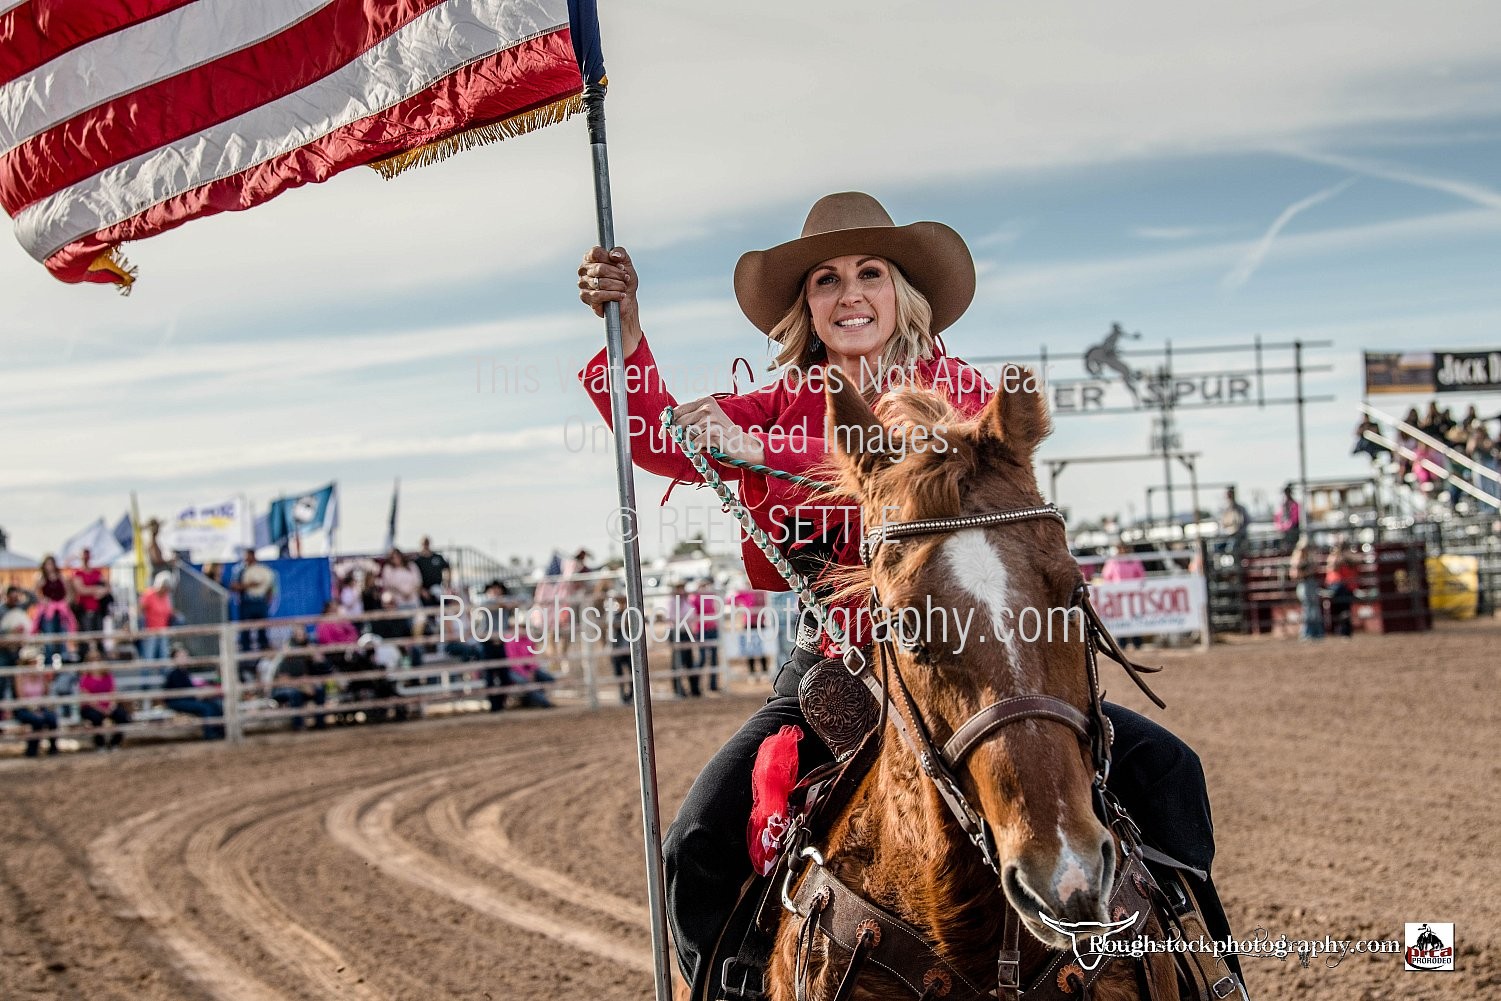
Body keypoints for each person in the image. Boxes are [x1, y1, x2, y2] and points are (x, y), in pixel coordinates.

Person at [574, 192, 1242, 992]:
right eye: (825, 280)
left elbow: (913, 460)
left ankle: (1207, 962)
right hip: (833, 660)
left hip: (971, 657)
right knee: (696, 839)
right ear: (806, 307)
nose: (849, 293)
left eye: (869, 274)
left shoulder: (955, 388)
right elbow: (653, 434)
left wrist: (758, 448)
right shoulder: (781, 395)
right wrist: (628, 326)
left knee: (1166, 768)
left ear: (903, 294)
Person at [163, 645, 225, 740]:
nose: (185, 658)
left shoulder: (183, 672)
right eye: (181, 656)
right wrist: (198, 695)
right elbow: (181, 692)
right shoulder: (174, 673)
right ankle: (209, 733)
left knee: (213, 705)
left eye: (185, 656)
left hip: (186, 699)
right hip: (177, 701)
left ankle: (219, 731)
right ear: (174, 659)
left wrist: (199, 694)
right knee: (206, 707)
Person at [78, 645, 130, 750]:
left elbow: (113, 692)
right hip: (93, 707)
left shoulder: (108, 676)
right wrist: (101, 709)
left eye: (97, 659)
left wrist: (111, 706)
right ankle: (100, 743)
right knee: (96, 717)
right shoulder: (85, 678)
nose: (95, 662)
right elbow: (87, 697)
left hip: (108, 705)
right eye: (92, 660)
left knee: (123, 716)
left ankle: (115, 742)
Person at [12, 645, 59, 757]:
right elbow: (20, 697)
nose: (35, 664)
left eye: (36, 661)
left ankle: (53, 748)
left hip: (40, 706)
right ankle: (31, 751)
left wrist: (45, 678)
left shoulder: (41, 674)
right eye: (32, 661)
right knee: (37, 720)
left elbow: (46, 693)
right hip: (25, 708)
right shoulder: (20, 676)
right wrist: (33, 709)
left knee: (51, 718)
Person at [1098, 543, 1146, 649]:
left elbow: (1141, 576)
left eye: (1125, 548)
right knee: (1119, 618)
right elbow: (1106, 577)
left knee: (1134, 618)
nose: (1123, 550)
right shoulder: (1113, 562)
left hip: (1132, 595)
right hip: (1117, 596)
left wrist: (1134, 586)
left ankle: (1137, 642)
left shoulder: (1133, 560)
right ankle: (1122, 643)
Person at [230, 548, 276, 653]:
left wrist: (268, 598)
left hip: (260, 602)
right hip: (247, 603)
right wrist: (249, 585)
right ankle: (246, 653)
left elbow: (269, 586)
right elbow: (233, 586)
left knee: (262, 629)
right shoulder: (240, 570)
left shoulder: (262, 570)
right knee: (245, 630)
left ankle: (263, 652)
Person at [34, 554, 77, 662]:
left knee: (63, 636)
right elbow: (37, 594)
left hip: (61, 611)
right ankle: (49, 662)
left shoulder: (61, 577)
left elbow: (70, 593)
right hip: (48, 612)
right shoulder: (41, 579)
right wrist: (45, 602)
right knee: (49, 638)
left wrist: (65, 603)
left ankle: (64, 659)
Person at [1289, 538, 1324, 641]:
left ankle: (1316, 633)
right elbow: (1294, 574)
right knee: (1308, 609)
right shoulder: (1297, 558)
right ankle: (1307, 632)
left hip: (1311, 583)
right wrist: (1308, 572)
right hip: (1304, 584)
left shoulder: (1308, 557)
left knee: (1314, 608)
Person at [71, 548, 109, 637]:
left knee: (99, 636)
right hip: (84, 610)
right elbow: (81, 589)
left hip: (98, 609)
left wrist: (101, 591)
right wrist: (96, 589)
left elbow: (107, 587)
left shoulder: (96, 572)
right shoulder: (78, 573)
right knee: (86, 636)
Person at [137, 571, 175, 663]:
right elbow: (139, 610)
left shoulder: (166, 596)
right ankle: (147, 676)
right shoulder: (149, 594)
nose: (166, 590)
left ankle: (165, 676)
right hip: (150, 630)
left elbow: (169, 611)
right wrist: (141, 626)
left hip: (163, 630)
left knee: (164, 654)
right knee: (148, 655)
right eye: (165, 587)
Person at [1324, 541, 1358, 638]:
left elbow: (1356, 560)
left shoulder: (1349, 557)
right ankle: (1342, 630)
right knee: (1341, 610)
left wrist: (1345, 556)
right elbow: (1334, 566)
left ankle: (1345, 631)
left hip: (1347, 587)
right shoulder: (1334, 557)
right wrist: (1340, 556)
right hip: (1337, 587)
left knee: (1345, 609)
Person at [413, 537, 450, 607]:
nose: (426, 545)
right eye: (424, 543)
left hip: (438, 588)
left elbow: (446, 569)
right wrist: (422, 590)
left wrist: (447, 585)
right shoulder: (417, 560)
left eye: (427, 543)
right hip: (423, 590)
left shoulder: (438, 557)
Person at [1215, 486, 1249, 556]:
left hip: (1238, 536)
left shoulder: (1240, 509)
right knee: (1216, 548)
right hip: (1226, 535)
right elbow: (1222, 524)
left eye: (1230, 494)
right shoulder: (1224, 508)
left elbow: (1244, 522)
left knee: (1231, 548)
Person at [1272, 485, 1301, 550]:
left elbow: (1295, 519)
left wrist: (1286, 526)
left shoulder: (1295, 505)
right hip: (1284, 531)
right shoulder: (1282, 506)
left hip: (1292, 531)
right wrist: (1281, 526)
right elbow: (1277, 518)